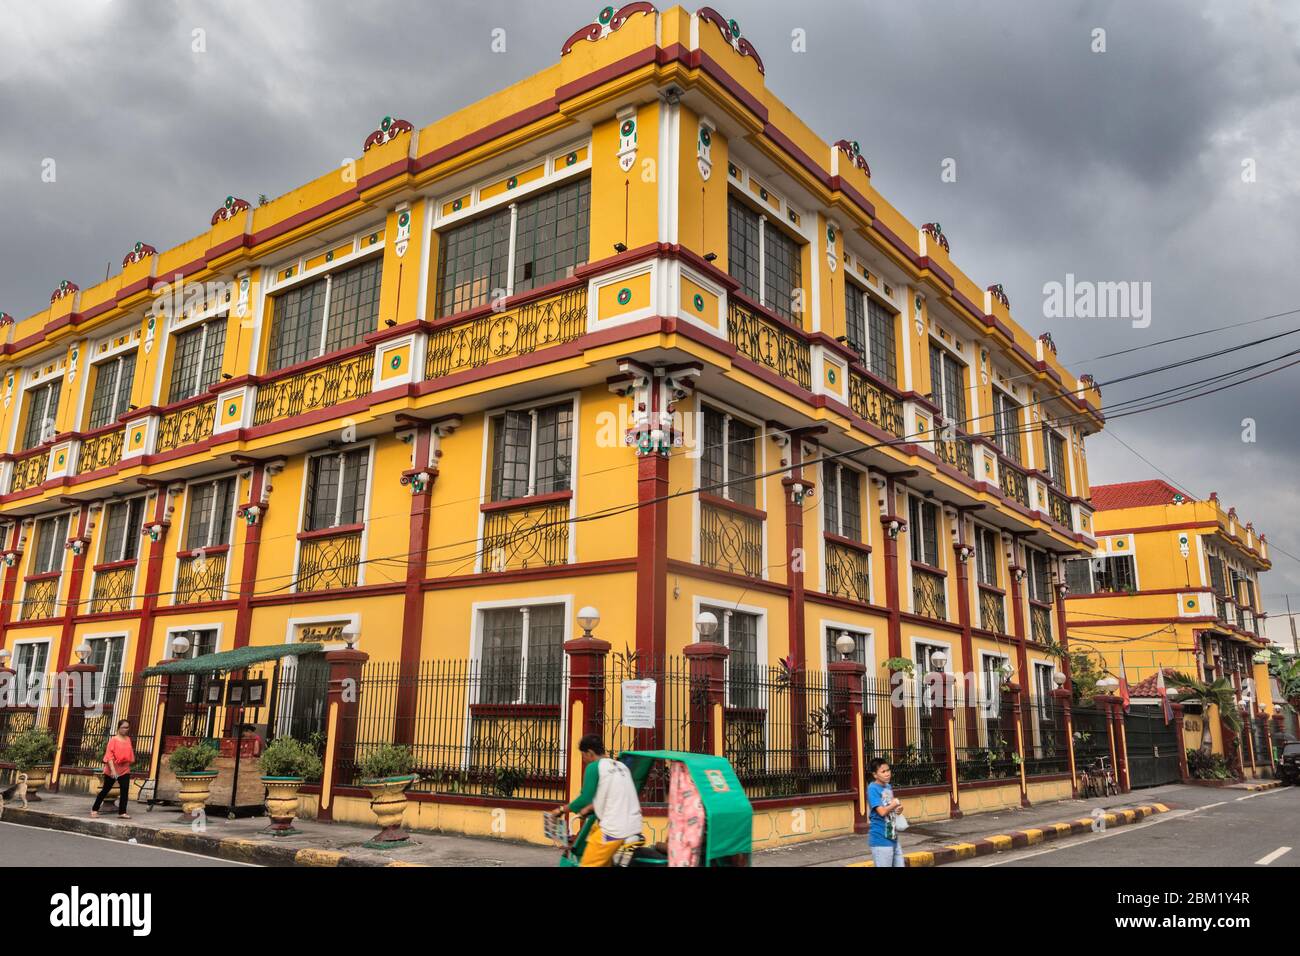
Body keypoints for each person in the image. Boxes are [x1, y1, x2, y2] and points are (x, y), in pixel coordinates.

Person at [549, 735, 643, 867]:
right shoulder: (621, 766)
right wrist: (590, 808)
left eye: (583, 756)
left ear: (590, 753)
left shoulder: (594, 767)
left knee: (587, 863)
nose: (583, 760)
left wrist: (559, 810)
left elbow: (584, 798)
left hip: (613, 831)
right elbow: (614, 796)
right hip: (635, 827)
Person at [91, 719, 134, 819]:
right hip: (112, 769)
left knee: (125, 790)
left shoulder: (128, 739)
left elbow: (129, 753)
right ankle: (94, 809)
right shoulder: (113, 740)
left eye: (127, 727)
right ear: (119, 728)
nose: (125, 729)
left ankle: (122, 812)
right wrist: (113, 771)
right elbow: (109, 756)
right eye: (123, 727)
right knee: (106, 790)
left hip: (124, 769)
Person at [867, 757, 904, 867]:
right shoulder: (872, 788)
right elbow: (882, 811)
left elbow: (890, 807)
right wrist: (894, 804)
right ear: (875, 774)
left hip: (893, 836)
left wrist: (898, 808)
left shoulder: (888, 786)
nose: (887, 774)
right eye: (883, 771)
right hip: (880, 839)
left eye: (888, 770)